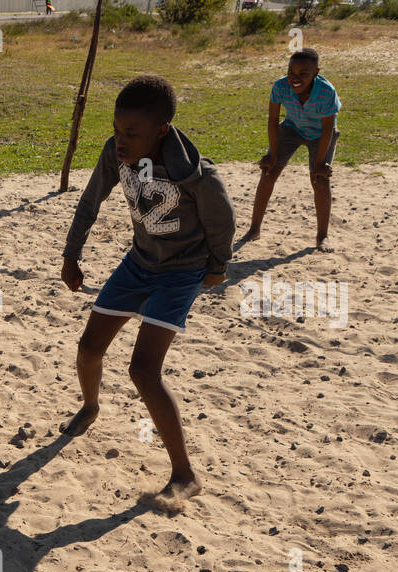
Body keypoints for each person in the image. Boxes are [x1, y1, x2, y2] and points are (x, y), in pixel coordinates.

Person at [59, 75, 235, 512]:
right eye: (117, 129)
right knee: (89, 347)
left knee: (143, 370)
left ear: (161, 131)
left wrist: (216, 266)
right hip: (138, 263)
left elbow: (222, 220)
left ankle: (185, 474)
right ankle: (91, 406)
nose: (121, 140)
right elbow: (90, 200)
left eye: (132, 133)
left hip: (181, 272)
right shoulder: (114, 154)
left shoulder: (196, 172)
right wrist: (71, 252)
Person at [241, 48, 340, 250]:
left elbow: (328, 128)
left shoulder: (326, 91)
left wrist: (321, 164)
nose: (295, 78)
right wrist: (273, 155)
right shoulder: (280, 87)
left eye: (303, 74)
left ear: (316, 73)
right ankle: (254, 229)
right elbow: (272, 120)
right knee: (268, 172)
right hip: (292, 128)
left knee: (319, 180)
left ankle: (322, 237)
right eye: (291, 72)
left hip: (321, 134)